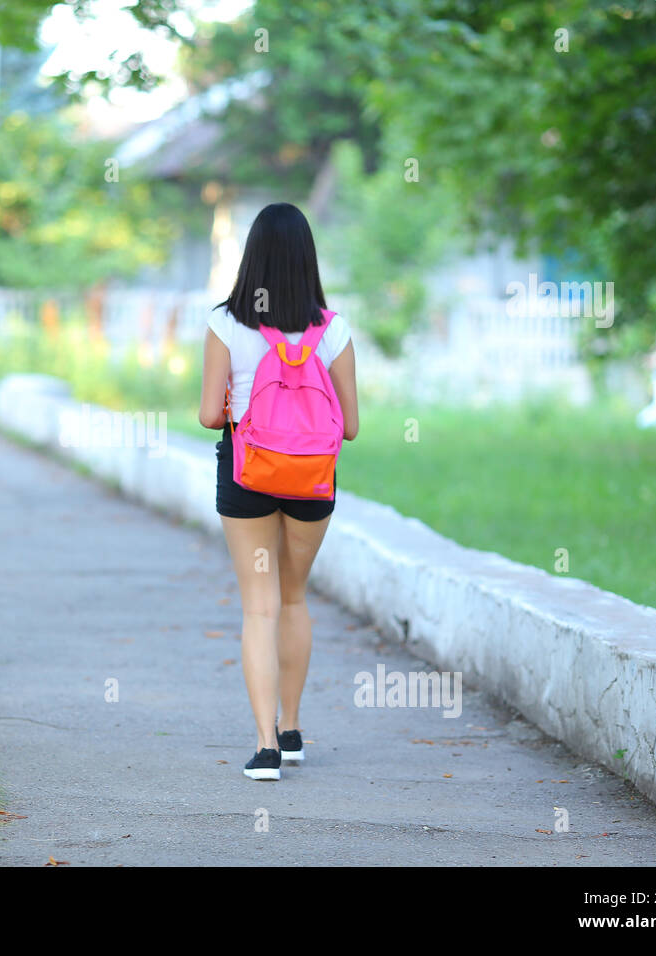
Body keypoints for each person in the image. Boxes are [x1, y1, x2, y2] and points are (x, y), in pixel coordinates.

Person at [198, 202, 359, 781]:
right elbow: (352, 425)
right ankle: (293, 729)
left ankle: (265, 745)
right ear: (306, 258)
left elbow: (207, 417)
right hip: (312, 480)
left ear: (254, 255)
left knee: (258, 605)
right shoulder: (331, 328)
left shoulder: (226, 322)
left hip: (248, 474)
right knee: (293, 598)